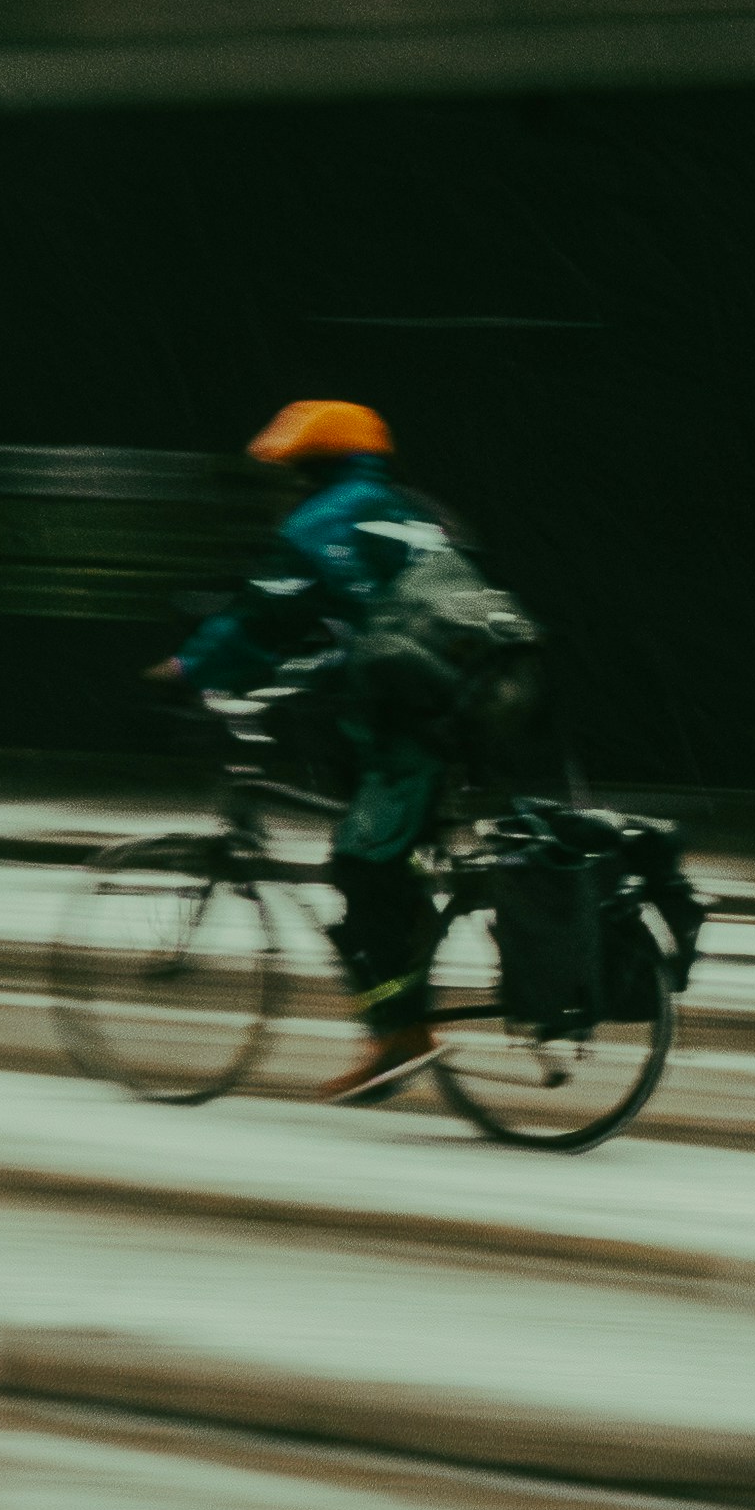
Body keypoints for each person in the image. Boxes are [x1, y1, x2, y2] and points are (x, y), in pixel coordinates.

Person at [149, 401, 524, 1102]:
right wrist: (318, 673)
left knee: (360, 867)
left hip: (412, 727)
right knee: (389, 871)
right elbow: (378, 622)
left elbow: (265, 614)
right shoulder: (417, 511)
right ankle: (391, 1028)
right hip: (467, 712)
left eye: (293, 469)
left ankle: (402, 1035)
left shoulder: (326, 520)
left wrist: (189, 670)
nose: (287, 484)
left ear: (315, 465)